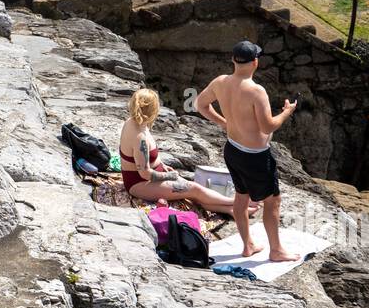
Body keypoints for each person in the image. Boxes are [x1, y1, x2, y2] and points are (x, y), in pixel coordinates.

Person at [195, 41, 299, 262]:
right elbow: (267, 127)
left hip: (232, 150)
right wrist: (287, 112)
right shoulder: (256, 90)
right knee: (272, 201)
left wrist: (224, 123)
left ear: (233, 60)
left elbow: (200, 105)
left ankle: (248, 244)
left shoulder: (220, 82)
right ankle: (277, 250)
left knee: (241, 197)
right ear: (255, 62)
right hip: (256, 157)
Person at [119, 87, 248, 213]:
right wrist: (169, 176)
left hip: (153, 176)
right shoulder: (140, 138)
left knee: (193, 193)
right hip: (139, 184)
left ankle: (231, 210)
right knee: (194, 189)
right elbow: (144, 173)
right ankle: (238, 203)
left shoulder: (134, 122)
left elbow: (146, 160)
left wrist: (162, 165)